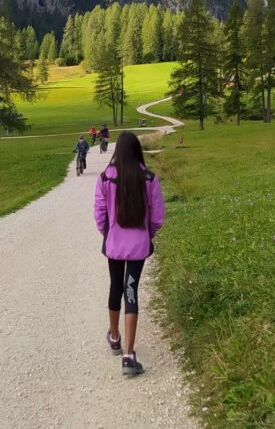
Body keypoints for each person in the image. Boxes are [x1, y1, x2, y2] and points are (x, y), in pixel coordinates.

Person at [93, 131, 165, 376]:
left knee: (115, 286)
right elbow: (157, 218)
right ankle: (129, 355)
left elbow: (99, 213)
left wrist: (108, 232)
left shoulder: (105, 178)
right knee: (131, 291)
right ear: (137, 151)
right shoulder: (149, 178)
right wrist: (148, 235)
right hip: (138, 247)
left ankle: (114, 336)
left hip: (114, 244)